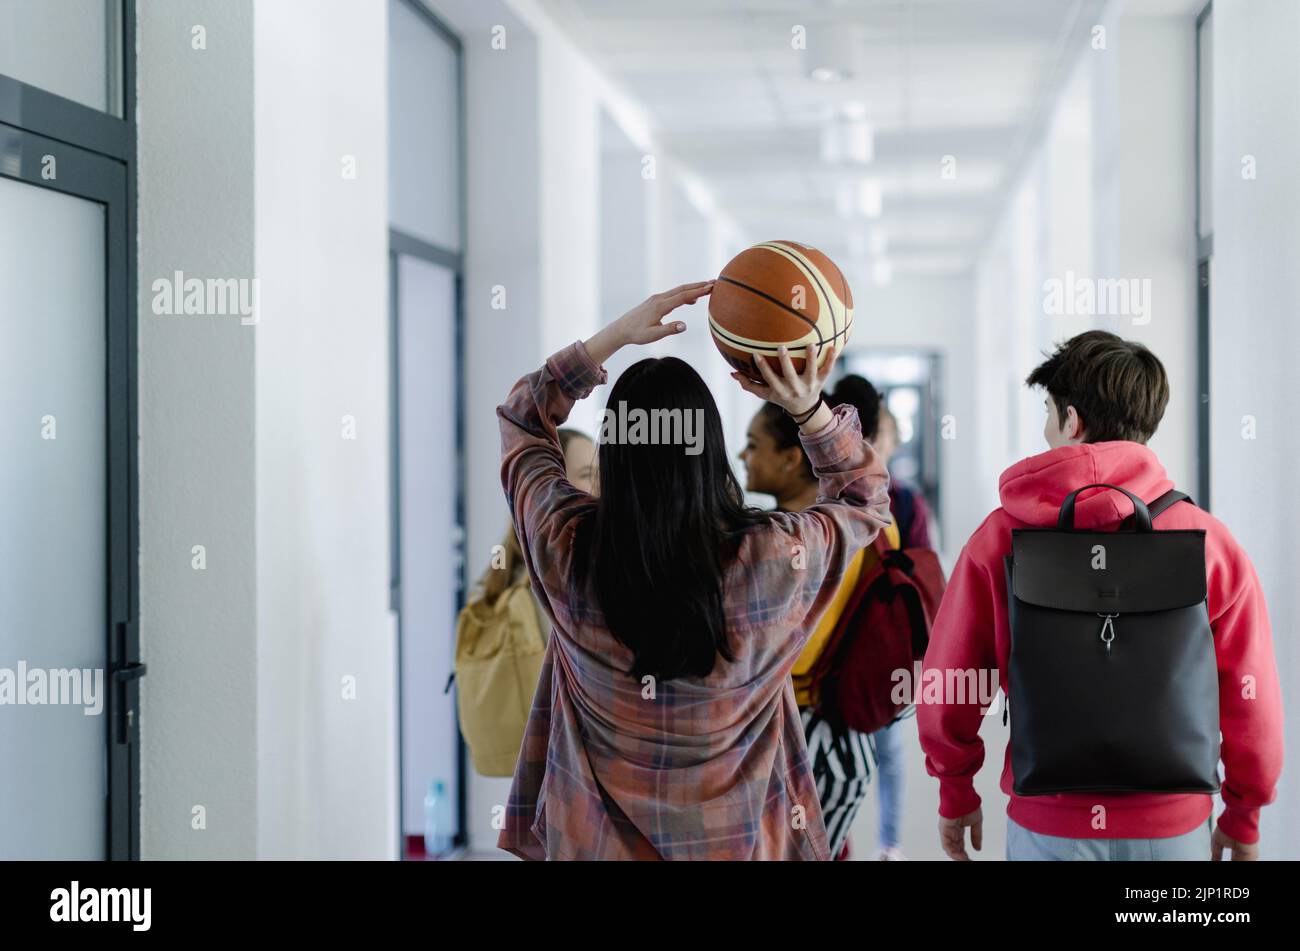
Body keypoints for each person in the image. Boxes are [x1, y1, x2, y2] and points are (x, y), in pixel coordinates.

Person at [496, 282, 892, 860]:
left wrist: (611, 339)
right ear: (710, 447)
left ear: (612, 448)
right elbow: (865, 498)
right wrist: (807, 410)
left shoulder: (567, 545)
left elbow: (522, 419)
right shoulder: (772, 557)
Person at [918, 330, 1284, 861]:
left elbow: (949, 681)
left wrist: (956, 790)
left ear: (1073, 420)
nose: (1045, 430)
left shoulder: (999, 538)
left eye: (1049, 412)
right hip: (1173, 828)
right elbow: (1252, 697)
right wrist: (1244, 813)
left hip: (1049, 826)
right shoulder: (1208, 542)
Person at [738, 374, 900, 861]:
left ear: (792, 458)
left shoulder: (793, 541)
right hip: (833, 741)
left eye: (753, 445)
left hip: (806, 734)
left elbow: (791, 653)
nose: (743, 457)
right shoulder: (851, 530)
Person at [864, 402, 936, 861]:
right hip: (869, 650)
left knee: (885, 752)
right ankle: (883, 846)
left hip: (883, 650)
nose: (888, 441)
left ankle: (887, 844)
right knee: (882, 753)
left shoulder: (905, 502)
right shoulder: (904, 502)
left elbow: (925, 579)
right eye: (887, 430)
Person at [476, 427, 597, 632]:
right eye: (587, 475)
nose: (600, 484)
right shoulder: (555, 580)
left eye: (600, 474)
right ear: (551, 487)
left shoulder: (510, 570)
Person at [874, 405, 935, 551]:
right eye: (864, 430)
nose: (872, 438)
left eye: (880, 431)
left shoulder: (908, 503)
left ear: (894, 442)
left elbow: (921, 565)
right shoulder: (830, 496)